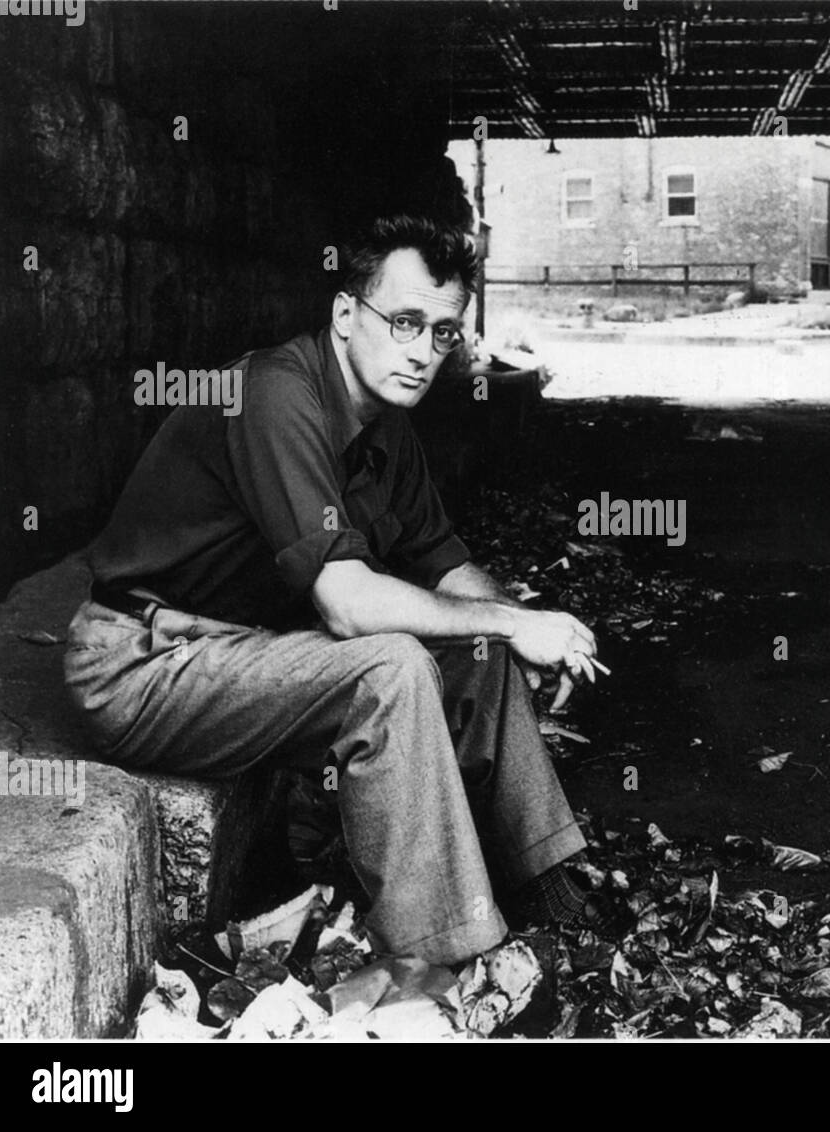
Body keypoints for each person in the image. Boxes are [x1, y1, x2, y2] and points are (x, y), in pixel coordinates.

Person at [63, 205, 606, 967]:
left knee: (480, 642)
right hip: (143, 663)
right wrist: (513, 622)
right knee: (392, 666)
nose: (424, 352)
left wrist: (524, 620)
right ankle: (440, 961)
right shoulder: (273, 394)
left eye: (443, 333)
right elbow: (349, 607)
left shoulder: (387, 427)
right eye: (405, 322)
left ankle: (543, 876)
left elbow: (447, 566)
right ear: (346, 314)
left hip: (249, 652)